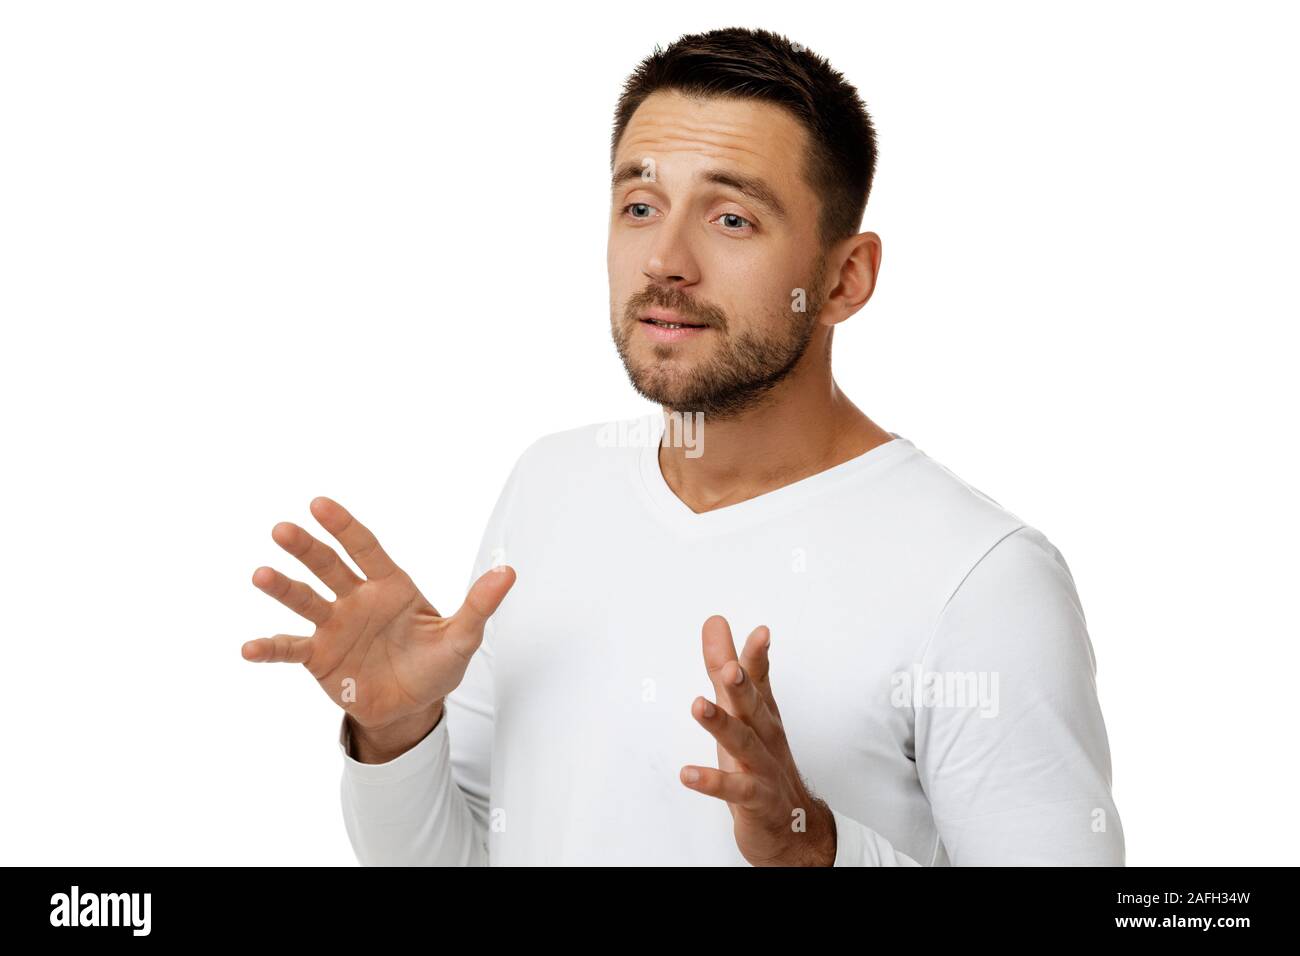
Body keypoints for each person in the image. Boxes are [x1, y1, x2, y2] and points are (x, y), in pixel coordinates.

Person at [243, 26, 1124, 866]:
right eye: (640, 204)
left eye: (731, 219)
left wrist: (816, 850)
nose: (666, 259)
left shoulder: (982, 579)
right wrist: (396, 736)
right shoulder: (550, 486)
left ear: (844, 278)